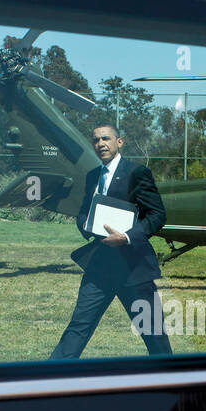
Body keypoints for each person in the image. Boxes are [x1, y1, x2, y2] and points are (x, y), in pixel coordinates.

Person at [50, 124, 172, 359]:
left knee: (153, 332)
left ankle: (172, 376)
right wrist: (86, 225)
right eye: (96, 140)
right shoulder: (93, 176)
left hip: (133, 267)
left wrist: (126, 237)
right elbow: (85, 211)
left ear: (120, 142)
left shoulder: (137, 173)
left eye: (106, 139)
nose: (100, 144)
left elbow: (157, 215)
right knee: (78, 327)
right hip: (101, 266)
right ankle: (48, 379)